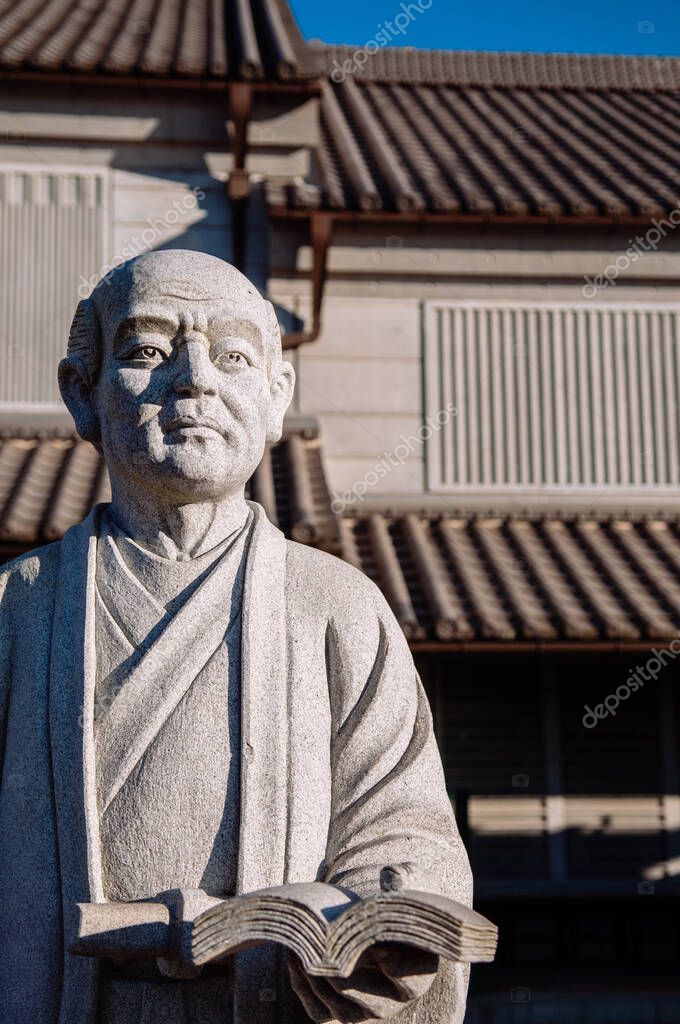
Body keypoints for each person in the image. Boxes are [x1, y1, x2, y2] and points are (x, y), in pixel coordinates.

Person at [0, 251, 472, 1024]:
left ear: (277, 395)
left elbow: (404, 825)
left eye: (233, 357)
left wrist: (364, 927)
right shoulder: (17, 608)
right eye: (148, 350)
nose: (194, 380)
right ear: (82, 393)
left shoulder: (337, 607)